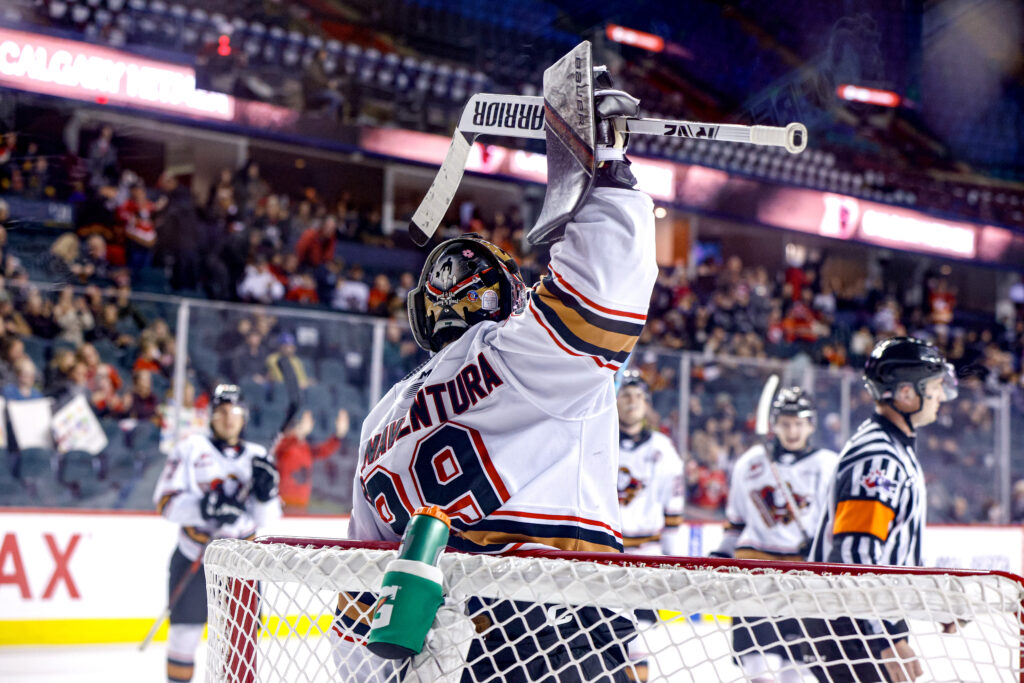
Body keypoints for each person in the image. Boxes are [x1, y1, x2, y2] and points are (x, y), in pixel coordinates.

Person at [333, 80, 656, 682]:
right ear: (509, 301)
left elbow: (359, 593)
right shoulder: (513, 352)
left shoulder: (383, 418)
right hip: (553, 624)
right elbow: (602, 302)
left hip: (437, 647)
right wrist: (608, 173)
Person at [803, 337, 958, 683]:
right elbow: (857, 554)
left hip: (857, 621)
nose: (939, 397)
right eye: (933, 387)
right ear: (905, 393)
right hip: (849, 626)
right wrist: (885, 639)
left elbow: (890, 554)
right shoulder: (880, 458)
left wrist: (932, 604)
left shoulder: (891, 447)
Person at [152, 384, 282, 683]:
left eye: (234, 411)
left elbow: (268, 519)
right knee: (184, 635)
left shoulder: (258, 455)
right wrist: (206, 507)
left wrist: (265, 495)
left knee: (241, 644)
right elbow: (166, 503)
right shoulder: (190, 448)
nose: (228, 417)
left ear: (244, 416)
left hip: (242, 564)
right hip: (195, 555)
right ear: (211, 416)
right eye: (221, 411)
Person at [711, 387, 838, 683]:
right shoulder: (751, 463)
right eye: (785, 423)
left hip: (804, 576)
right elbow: (736, 524)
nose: (792, 430)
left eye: (798, 423)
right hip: (755, 573)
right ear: (774, 425)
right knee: (759, 669)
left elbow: (833, 526)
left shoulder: (828, 465)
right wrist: (718, 557)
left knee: (795, 670)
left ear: (811, 425)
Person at [615, 372, 684, 682]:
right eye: (626, 395)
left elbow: (673, 507)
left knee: (640, 637)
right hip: (603, 551)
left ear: (647, 404)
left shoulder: (663, 447)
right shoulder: (597, 437)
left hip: (647, 553)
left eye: (638, 396)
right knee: (599, 635)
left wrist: (674, 559)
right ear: (615, 400)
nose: (632, 401)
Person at [274, 407, 350, 511]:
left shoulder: (305, 447)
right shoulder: (284, 444)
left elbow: (323, 450)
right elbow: (282, 447)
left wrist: (338, 436)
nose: (311, 423)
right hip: (284, 504)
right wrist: (299, 431)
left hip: (301, 504)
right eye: (306, 420)